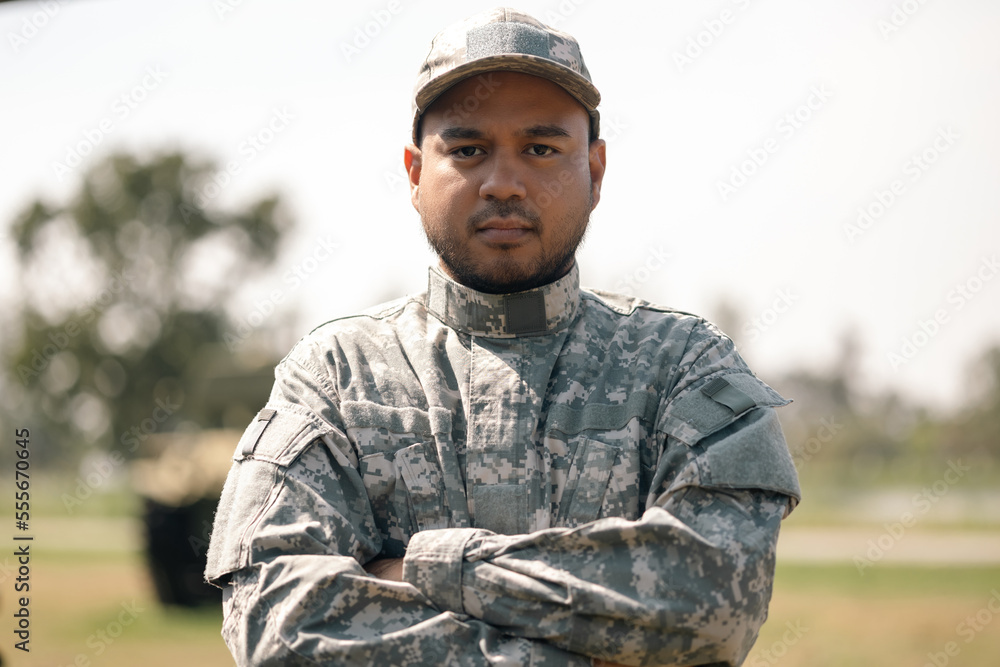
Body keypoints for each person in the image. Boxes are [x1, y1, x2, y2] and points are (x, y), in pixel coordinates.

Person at [205, 7, 801, 666]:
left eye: (541, 149)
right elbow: (279, 625)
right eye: (467, 150)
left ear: (595, 172)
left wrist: (423, 567)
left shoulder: (682, 367)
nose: (504, 183)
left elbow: (712, 600)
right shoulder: (335, 377)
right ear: (412, 172)